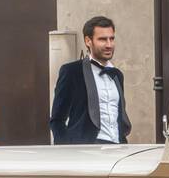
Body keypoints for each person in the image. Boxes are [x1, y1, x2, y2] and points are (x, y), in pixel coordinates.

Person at [49, 15, 130, 144]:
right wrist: (65, 151)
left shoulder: (117, 75)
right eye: (103, 39)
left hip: (117, 150)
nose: (109, 44)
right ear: (88, 41)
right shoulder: (71, 72)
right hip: (86, 152)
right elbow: (57, 120)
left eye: (112, 39)